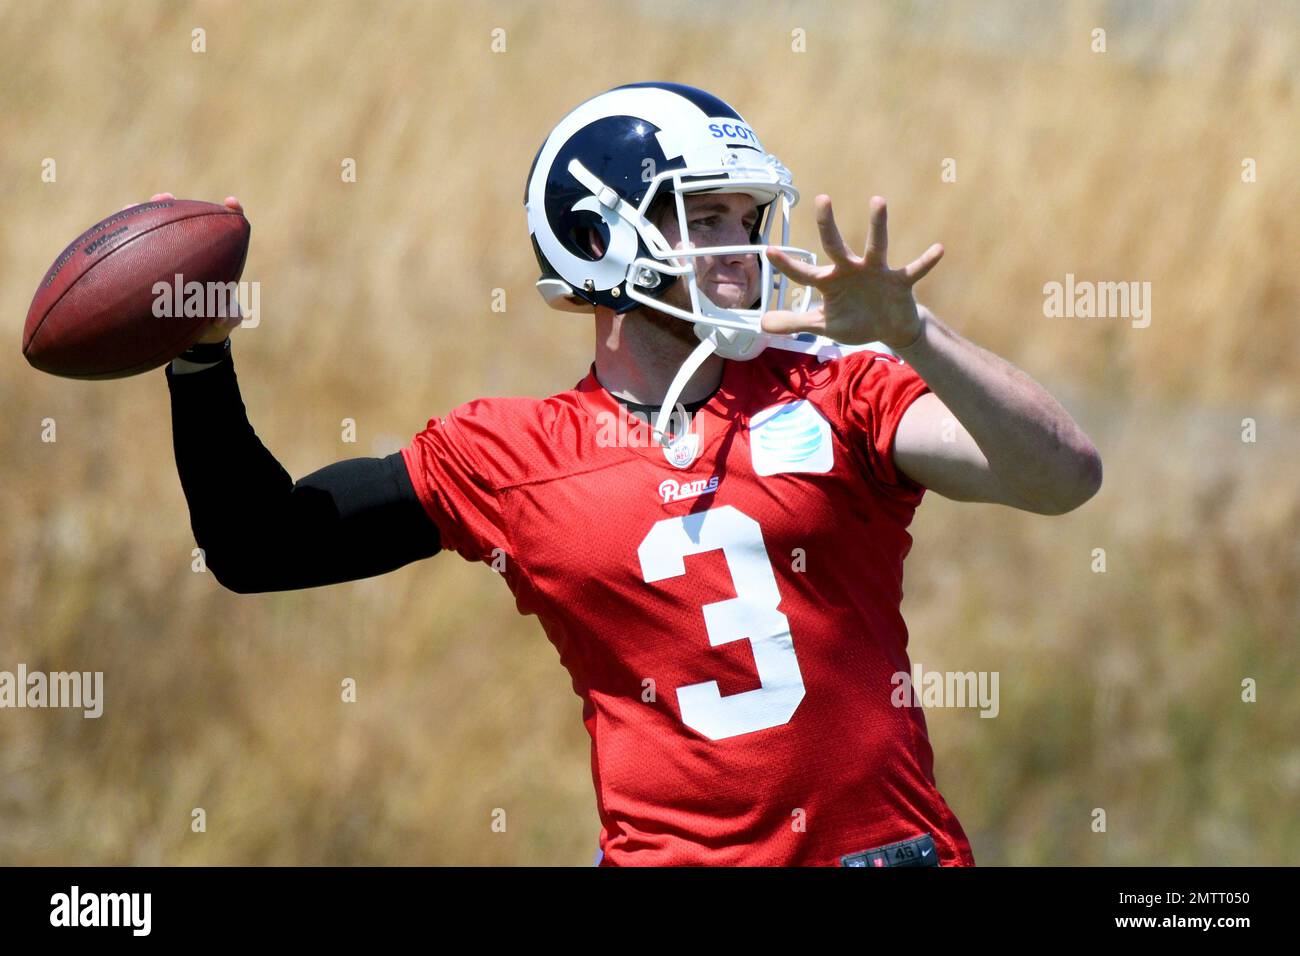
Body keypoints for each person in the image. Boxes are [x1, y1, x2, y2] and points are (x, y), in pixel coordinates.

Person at [163, 82, 1101, 866]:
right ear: (598, 235)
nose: (741, 250)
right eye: (705, 218)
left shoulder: (832, 389)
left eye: (746, 217)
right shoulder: (511, 458)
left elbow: (1060, 478)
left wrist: (915, 334)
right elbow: (259, 546)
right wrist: (198, 359)